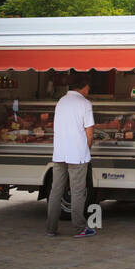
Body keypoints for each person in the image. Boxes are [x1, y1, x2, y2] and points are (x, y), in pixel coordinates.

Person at [46, 74, 96, 239]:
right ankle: (79, 228)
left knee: (56, 191)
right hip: (77, 155)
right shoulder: (84, 103)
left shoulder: (61, 101)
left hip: (60, 153)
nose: (89, 90)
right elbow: (90, 133)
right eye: (89, 87)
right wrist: (86, 149)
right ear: (84, 87)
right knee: (77, 192)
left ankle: (51, 228)